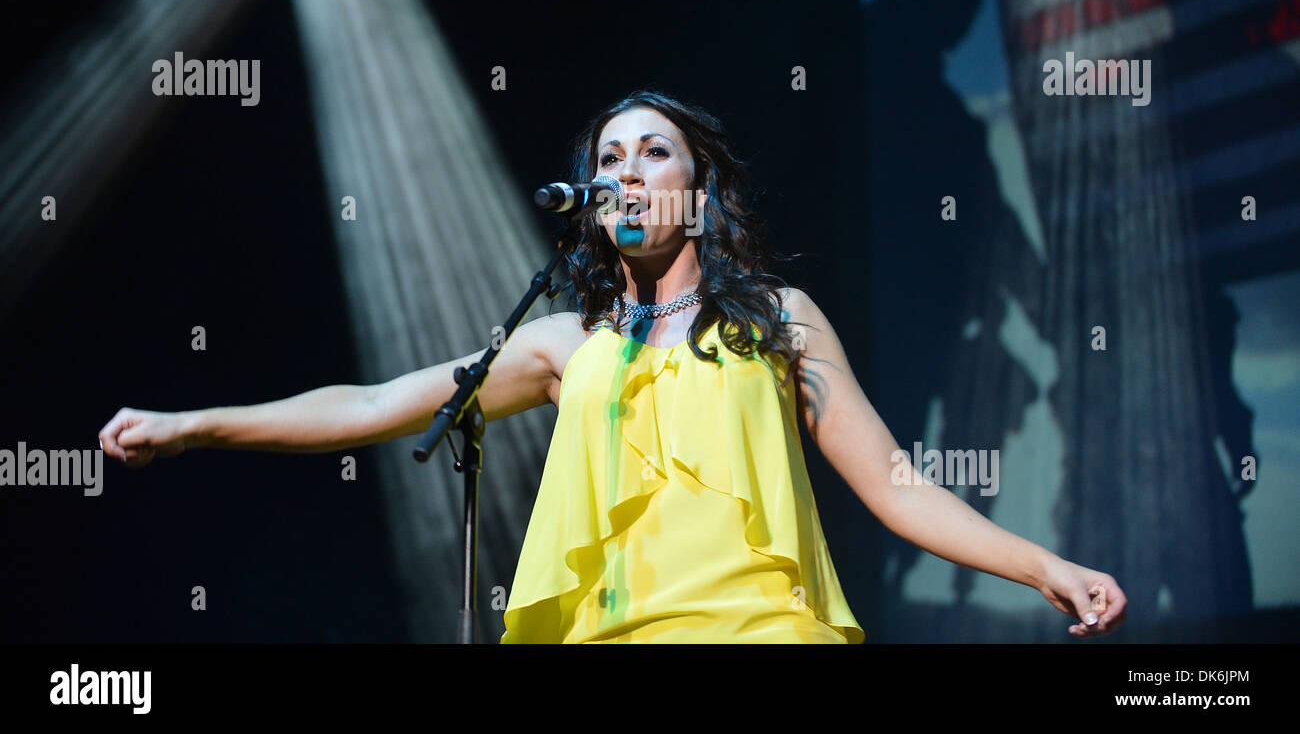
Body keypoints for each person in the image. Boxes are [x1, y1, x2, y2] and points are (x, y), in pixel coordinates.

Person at [97, 89, 1127, 643]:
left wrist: (1045, 566)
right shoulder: (560, 342)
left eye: (652, 153)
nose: (623, 172)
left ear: (699, 187)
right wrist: (196, 425)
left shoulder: (779, 320)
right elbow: (374, 402)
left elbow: (896, 486)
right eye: (609, 160)